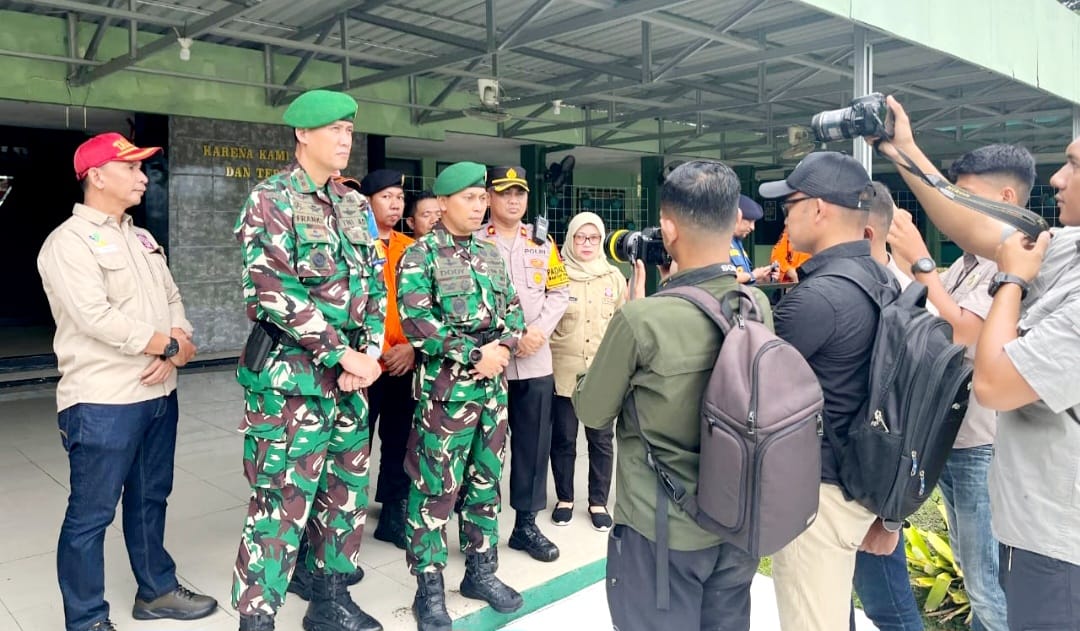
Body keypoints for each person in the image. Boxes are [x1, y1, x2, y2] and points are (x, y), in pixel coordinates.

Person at [873, 97, 1080, 631]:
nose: (1057, 178)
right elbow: (977, 231)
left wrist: (1008, 281)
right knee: (983, 579)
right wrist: (902, 149)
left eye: (1074, 166)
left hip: (1059, 541)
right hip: (1026, 515)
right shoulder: (1068, 248)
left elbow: (991, 378)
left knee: (992, 595)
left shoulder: (1040, 272)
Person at [574, 161, 768, 631]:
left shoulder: (641, 320)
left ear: (668, 229)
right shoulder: (755, 304)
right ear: (733, 220)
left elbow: (592, 411)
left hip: (662, 531)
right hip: (737, 522)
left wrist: (634, 310)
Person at [37, 132, 217, 631]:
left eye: (142, 168)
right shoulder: (68, 243)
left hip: (158, 393)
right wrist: (166, 346)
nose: (143, 177)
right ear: (97, 176)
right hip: (104, 400)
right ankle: (86, 619)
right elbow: (94, 316)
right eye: (131, 168)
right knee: (91, 514)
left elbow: (172, 296)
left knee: (150, 498)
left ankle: (156, 591)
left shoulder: (141, 237)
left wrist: (177, 339)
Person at [231, 89, 386, 631]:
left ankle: (330, 601)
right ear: (302, 134)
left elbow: (374, 282)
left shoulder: (355, 205)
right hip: (291, 383)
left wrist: (367, 353)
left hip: (349, 382)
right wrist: (340, 352)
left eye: (349, 130)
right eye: (334, 129)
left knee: (345, 497)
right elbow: (273, 287)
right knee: (280, 503)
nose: (345, 139)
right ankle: (257, 618)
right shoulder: (270, 198)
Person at [885, 146, 1030, 631]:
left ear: (1005, 198)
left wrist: (920, 260)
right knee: (976, 571)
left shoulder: (1008, 263)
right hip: (954, 436)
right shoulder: (970, 263)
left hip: (981, 444)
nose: (952, 209)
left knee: (986, 581)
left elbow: (964, 332)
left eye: (964, 196)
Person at [758, 152, 899, 631]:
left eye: (789, 205)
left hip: (819, 499)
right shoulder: (882, 280)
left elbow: (747, 383)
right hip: (863, 481)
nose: (784, 217)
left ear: (818, 208)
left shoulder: (818, 298)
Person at [397, 161, 527, 631]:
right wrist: (474, 354)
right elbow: (418, 323)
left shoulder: (489, 255)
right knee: (435, 490)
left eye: (482, 198)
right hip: (446, 397)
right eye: (469, 198)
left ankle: (480, 572)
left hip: (492, 395)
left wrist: (503, 348)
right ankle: (429, 589)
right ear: (443, 202)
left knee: (486, 483)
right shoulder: (420, 256)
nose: (479, 206)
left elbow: (514, 312)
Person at [476, 165, 570, 563]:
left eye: (519, 193)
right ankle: (479, 532)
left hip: (534, 362)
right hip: (489, 362)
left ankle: (525, 526)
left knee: (533, 447)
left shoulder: (542, 242)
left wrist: (538, 332)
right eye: (504, 193)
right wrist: (511, 338)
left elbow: (559, 291)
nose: (513, 200)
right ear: (489, 198)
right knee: (483, 449)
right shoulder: (475, 241)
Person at [849, 182, 924, 631]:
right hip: (838, 484)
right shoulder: (849, 288)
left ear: (865, 233)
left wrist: (891, 518)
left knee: (888, 608)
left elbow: (918, 422)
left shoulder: (906, 302)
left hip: (876, 495)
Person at [548, 212, 626, 531]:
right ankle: (565, 499)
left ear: (601, 240)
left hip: (601, 374)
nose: (587, 244)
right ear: (570, 238)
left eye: (593, 238)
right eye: (580, 237)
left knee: (601, 440)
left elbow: (623, 324)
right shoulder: (557, 274)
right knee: (563, 438)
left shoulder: (614, 277)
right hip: (563, 371)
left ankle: (598, 502)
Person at [357, 169, 417, 550]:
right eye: (386, 197)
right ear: (367, 202)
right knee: (355, 441)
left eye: (399, 197)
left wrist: (412, 348)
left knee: (400, 440)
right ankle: (343, 518)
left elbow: (425, 304)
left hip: (403, 361)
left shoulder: (411, 247)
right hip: (363, 365)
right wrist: (373, 351)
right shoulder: (353, 243)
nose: (395, 204)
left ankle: (393, 514)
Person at [730, 194, 777, 284]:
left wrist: (763, 278)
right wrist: (753, 275)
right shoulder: (720, 242)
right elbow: (724, 279)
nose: (752, 227)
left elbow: (744, 280)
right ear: (737, 217)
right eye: (749, 221)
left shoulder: (737, 242)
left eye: (754, 222)